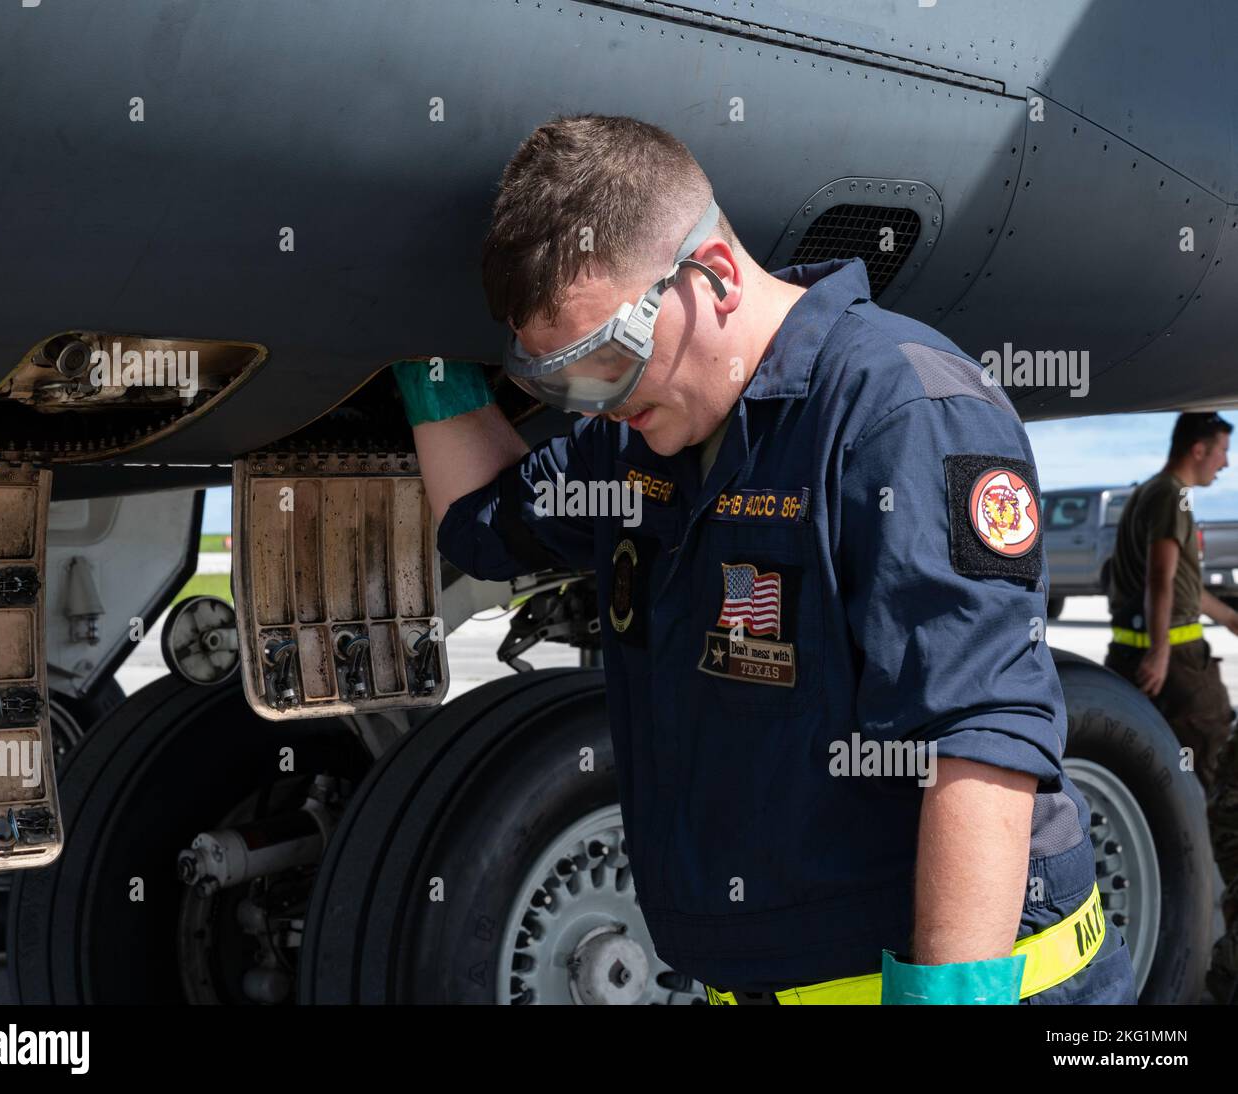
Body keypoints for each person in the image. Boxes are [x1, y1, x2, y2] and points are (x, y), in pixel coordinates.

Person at [393, 114, 1136, 1004]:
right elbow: (481, 521)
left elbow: (978, 745)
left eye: (609, 360)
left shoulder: (900, 412)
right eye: (558, 384)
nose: (595, 403)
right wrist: (418, 360)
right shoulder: (636, 450)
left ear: (711, 277)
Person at [1103, 411, 1238, 1002]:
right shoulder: (1173, 498)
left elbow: (1180, 579)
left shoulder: (1148, 494)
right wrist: (1161, 653)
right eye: (1223, 453)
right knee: (1217, 781)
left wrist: (1230, 616)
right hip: (1179, 668)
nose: (1227, 465)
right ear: (1200, 448)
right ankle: (1207, 897)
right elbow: (1162, 575)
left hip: (1132, 655)